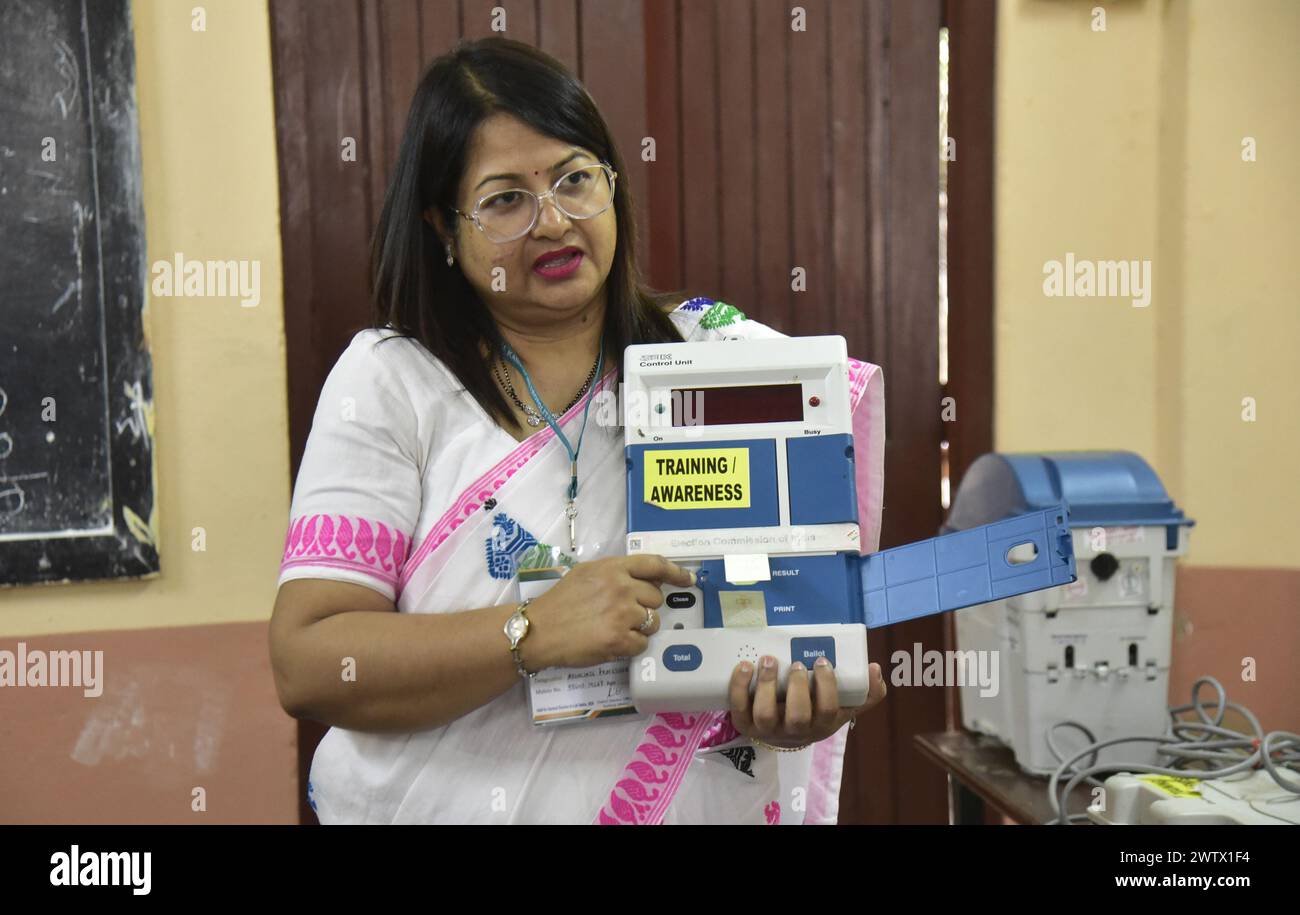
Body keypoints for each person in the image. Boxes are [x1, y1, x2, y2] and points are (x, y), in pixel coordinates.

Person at [269, 37, 887, 824]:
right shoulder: (393, 381)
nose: (553, 221)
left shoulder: (715, 364)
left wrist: (785, 711)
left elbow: (782, 615)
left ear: (613, 187)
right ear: (442, 229)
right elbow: (310, 664)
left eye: (574, 179)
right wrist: (531, 631)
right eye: (504, 199)